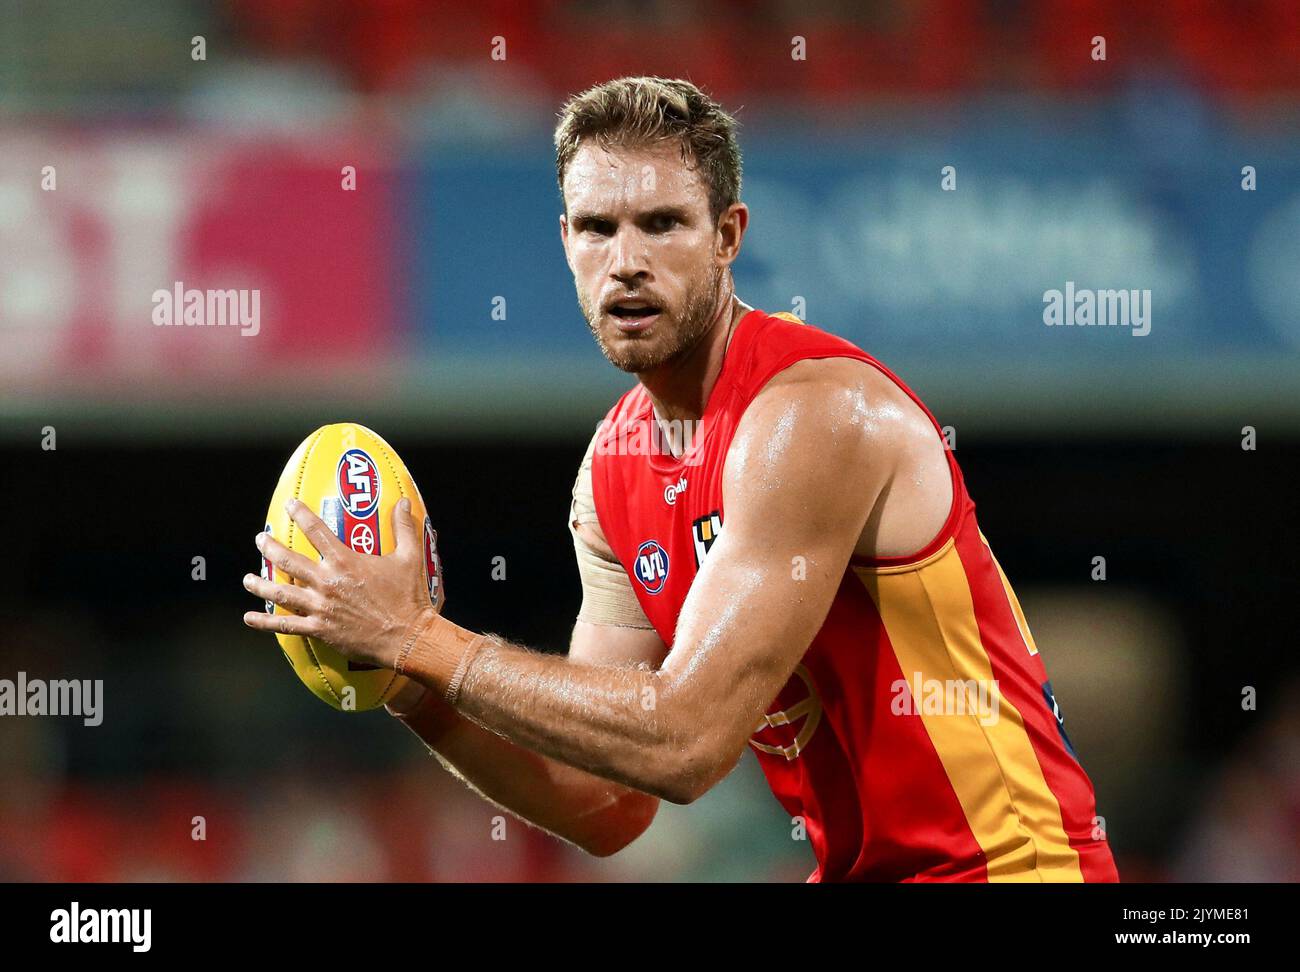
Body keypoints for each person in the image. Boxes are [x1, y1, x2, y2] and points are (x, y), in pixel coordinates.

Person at [244, 76, 1118, 882]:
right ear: (565, 242)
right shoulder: (612, 471)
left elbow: (684, 742)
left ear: (729, 237)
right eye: (596, 228)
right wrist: (410, 688)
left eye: (662, 224)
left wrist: (422, 639)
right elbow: (606, 799)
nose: (626, 260)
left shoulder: (812, 417)